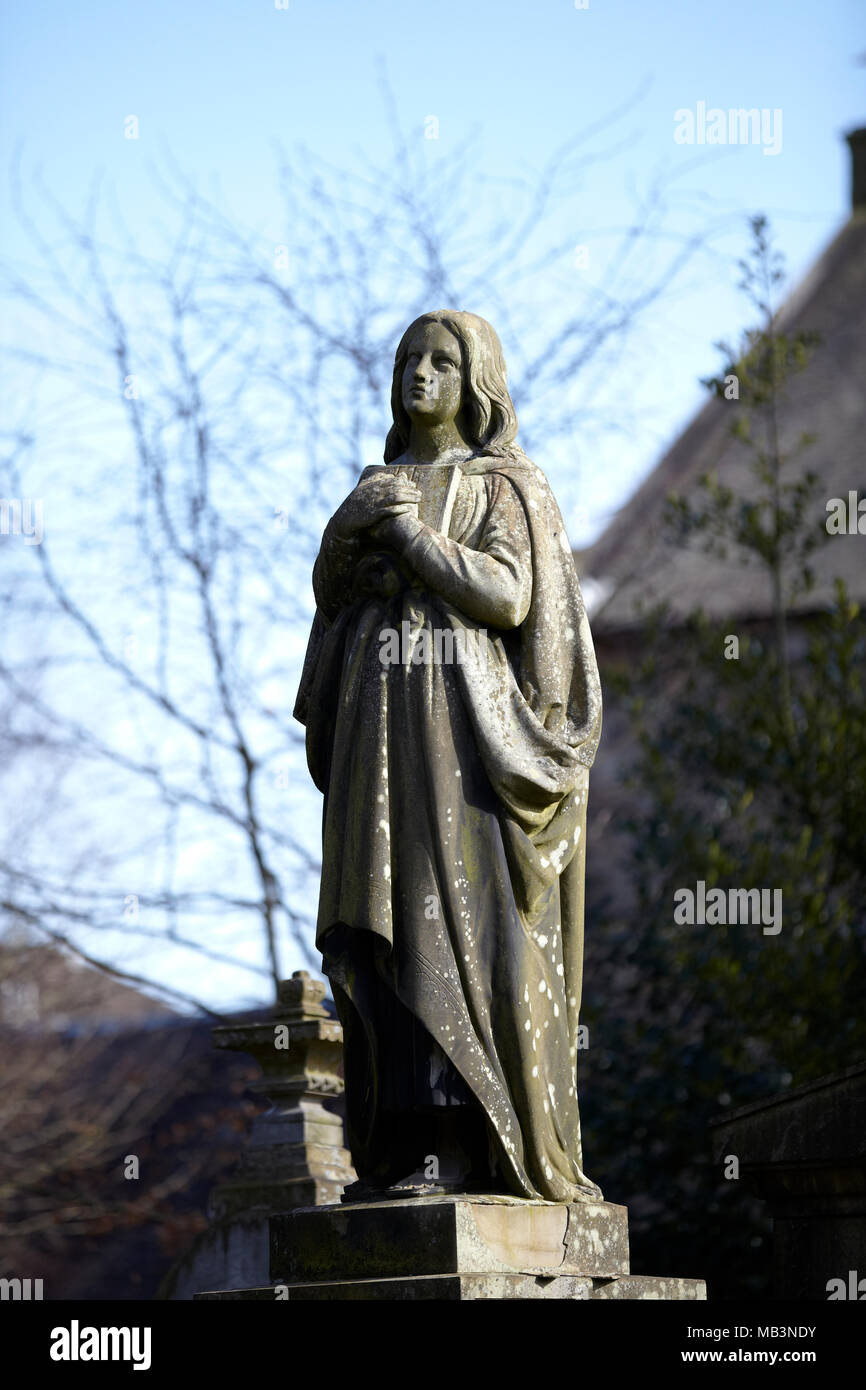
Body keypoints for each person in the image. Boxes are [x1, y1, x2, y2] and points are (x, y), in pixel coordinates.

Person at [294, 310, 603, 1203]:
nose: (420, 374)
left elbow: (510, 595)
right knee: (375, 932)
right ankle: (392, 1152)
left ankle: (458, 1147)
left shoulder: (505, 486)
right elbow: (329, 595)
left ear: (477, 382)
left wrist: (411, 540)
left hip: (459, 748)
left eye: (441, 361)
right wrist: (354, 537)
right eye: (408, 360)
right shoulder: (373, 485)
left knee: (443, 927)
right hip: (372, 737)